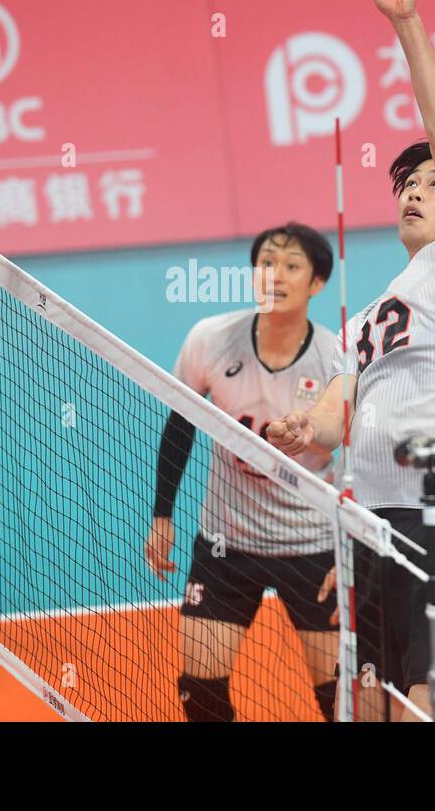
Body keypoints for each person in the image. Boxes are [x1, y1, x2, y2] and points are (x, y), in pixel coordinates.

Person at [266, 0, 435, 721]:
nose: (414, 191)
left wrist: (406, 21)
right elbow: (337, 417)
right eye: (404, 183)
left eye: (430, 184)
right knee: (366, 706)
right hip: (377, 530)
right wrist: (298, 425)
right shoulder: (371, 316)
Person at [146, 224, 341, 721]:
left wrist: (353, 546)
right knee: (199, 689)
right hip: (225, 545)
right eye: (265, 263)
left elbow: (363, 454)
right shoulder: (211, 339)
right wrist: (162, 516)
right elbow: (179, 426)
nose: (274, 274)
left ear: (316, 283)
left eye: (291, 266)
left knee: (341, 697)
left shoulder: (338, 358)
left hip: (313, 543)